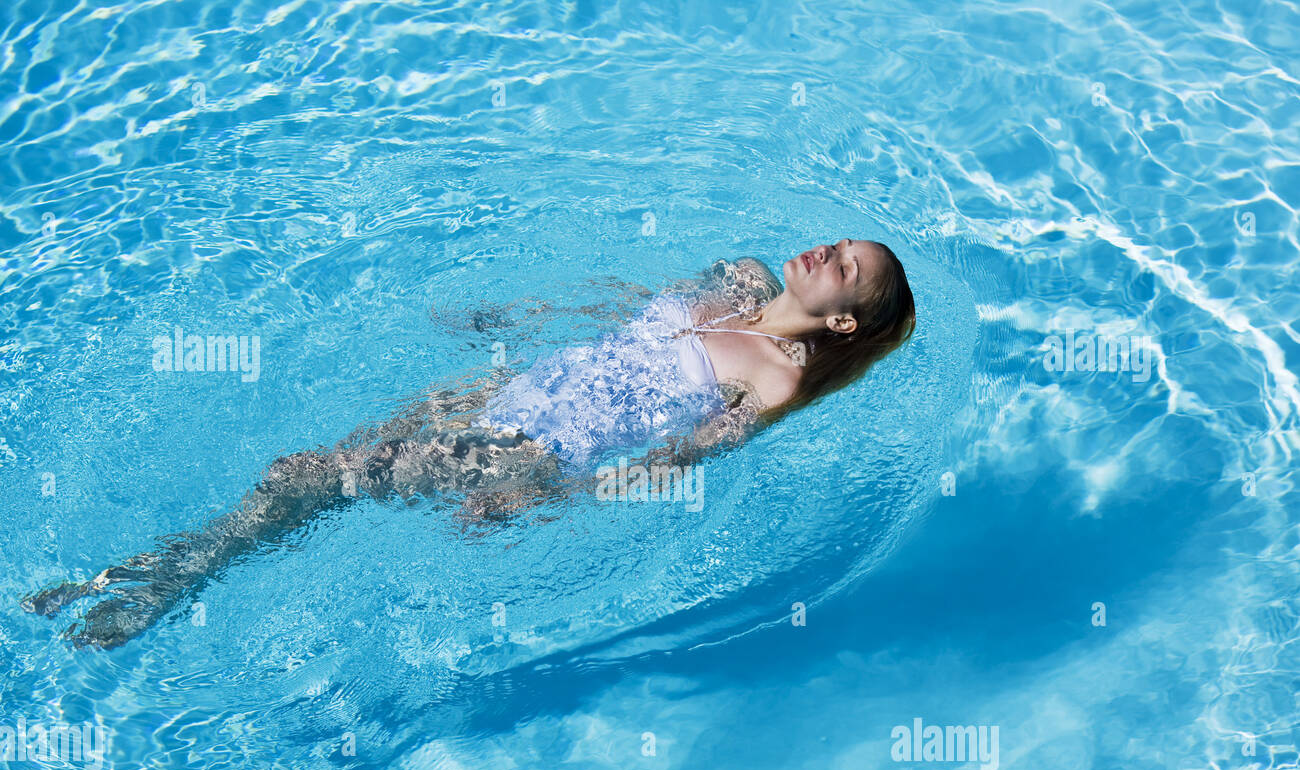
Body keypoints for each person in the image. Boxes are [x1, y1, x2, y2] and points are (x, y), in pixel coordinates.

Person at [23, 240, 916, 648]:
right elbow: (618, 302)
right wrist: (513, 318)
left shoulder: (777, 378)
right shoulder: (741, 277)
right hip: (506, 390)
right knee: (298, 476)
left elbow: (674, 463)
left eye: (846, 269)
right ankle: (148, 577)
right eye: (840, 243)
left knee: (312, 479)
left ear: (841, 317)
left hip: (534, 444)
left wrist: (550, 495)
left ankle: (153, 587)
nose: (826, 253)